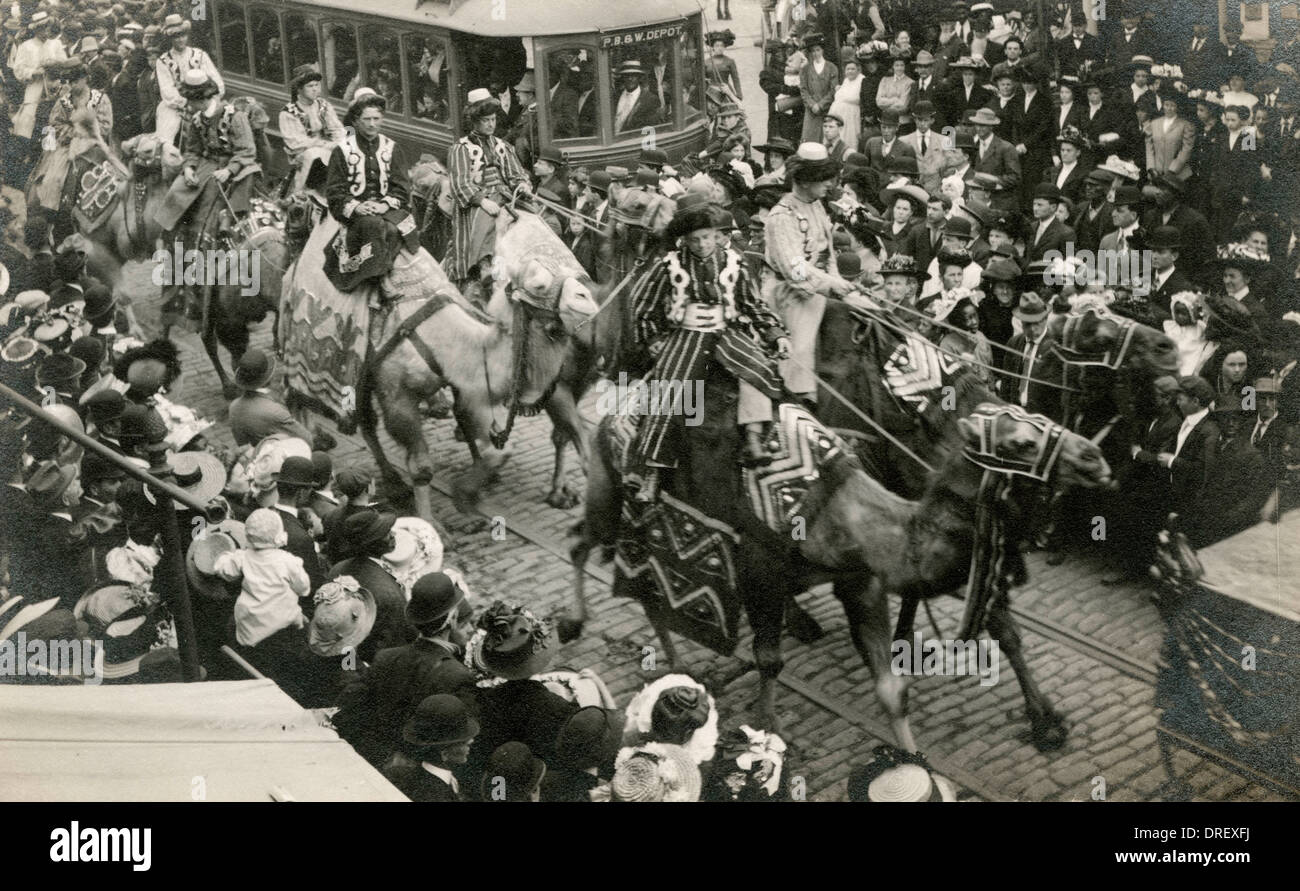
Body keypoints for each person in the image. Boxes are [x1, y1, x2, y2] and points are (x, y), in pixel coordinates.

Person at [626, 192, 790, 502]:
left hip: (725, 335)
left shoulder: (734, 263)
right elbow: (642, 307)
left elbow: (752, 303)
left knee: (758, 368)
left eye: (706, 237)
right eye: (694, 240)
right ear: (683, 240)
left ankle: (754, 439)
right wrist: (655, 342)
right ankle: (651, 471)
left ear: (716, 234)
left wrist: (775, 333)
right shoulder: (669, 266)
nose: (701, 245)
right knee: (670, 392)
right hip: (685, 337)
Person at [335, 571, 477, 768]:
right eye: (465, 622)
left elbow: (358, 707)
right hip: (419, 773)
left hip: (379, 758)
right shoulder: (457, 676)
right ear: (451, 620)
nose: (471, 629)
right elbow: (458, 743)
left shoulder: (386, 657)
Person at [153, 69, 259, 325]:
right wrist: (189, 168)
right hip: (204, 168)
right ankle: (177, 282)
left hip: (235, 171)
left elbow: (247, 150)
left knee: (209, 222)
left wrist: (229, 169)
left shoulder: (236, 118)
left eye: (193, 101)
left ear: (203, 97)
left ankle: (220, 283)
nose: (191, 106)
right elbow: (192, 149)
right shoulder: (197, 118)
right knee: (174, 205)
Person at [765, 143, 856, 404]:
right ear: (804, 180)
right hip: (790, 294)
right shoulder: (781, 216)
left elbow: (827, 255)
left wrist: (840, 284)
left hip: (821, 287)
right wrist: (832, 285)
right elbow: (795, 269)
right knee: (801, 351)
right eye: (823, 177)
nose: (830, 183)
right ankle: (795, 403)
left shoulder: (816, 205)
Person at [445, 87, 531, 295]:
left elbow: (515, 173)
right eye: (486, 120)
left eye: (493, 119)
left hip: (505, 196)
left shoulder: (503, 146)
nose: (491, 124)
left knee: (532, 215)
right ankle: (483, 265)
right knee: (486, 216)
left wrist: (522, 184)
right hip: (478, 201)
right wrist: (482, 200)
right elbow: (461, 184)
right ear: (475, 121)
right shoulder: (461, 149)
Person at [1157, 375, 1220, 545]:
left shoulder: (1209, 431)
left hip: (1189, 504)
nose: (1177, 403)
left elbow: (1203, 471)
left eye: (1180, 399)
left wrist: (1172, 462)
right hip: (1175, 494)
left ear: (1196, 401)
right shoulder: (1187, 421)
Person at [381, 695, 479, 802]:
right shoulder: (437, 795)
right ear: (444, 752)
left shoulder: (413, 774)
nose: (471, 741)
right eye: (464, 742)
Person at [11, 11, 67, 177]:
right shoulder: (26, 46)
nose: (45, 32)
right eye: (42, 29)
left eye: (47, 28)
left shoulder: (55, 44)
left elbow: (64, 63)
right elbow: (18, 70)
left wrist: (53, 66)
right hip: (35, 93)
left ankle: (44, 167)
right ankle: (26, 169)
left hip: (52, 94)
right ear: (36, 30)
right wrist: (34, 72)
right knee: (29, 130)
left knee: (49, 129)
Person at [153, 14, 222, 147]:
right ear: (170, 39)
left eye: (183, 35)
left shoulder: (199, 55)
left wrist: (206, 99)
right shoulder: (163, 61)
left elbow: (216, 81)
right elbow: (167, 91)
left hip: (203, 100)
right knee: (166, 135)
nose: (180, 40)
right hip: (176, 106)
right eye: (176, 37)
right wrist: (186, 104)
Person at [279, 64, 344, 197]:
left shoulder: (323, 106)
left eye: (317, 85)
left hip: (329, 150)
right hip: (305, 158)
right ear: (299, 89)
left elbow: (337, 128)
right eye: (310, 86)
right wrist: (324, 145)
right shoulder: (289, 113)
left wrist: (340, 142)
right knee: (314, 157)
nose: (315, 89)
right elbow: (297, 143)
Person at [800, 33, 838, 144]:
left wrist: (821, 105)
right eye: (813, 51)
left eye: (818, 50)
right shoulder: (806, 69)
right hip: (811, 112)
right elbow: (803, 90)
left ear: (822, 50)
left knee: (826, 141)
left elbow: (833, 90)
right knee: (810, 142)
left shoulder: (831, 67)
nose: (815, 53)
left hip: (826, 111)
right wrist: (812, 105)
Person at [612, 60, 662, 133]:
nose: (630, 79)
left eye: (633, 75)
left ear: (639, 77)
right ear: (622, 77)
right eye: (627, 75)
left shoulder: (650, 99)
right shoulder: (615, 96)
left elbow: (650, 130)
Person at [829, 56, 865, 152]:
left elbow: (855, 97)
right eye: (848, 69)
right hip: (838, 115)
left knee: (849, 139)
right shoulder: (846, 81)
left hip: (850, 115)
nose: (850, 71)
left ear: (858, 70)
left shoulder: (861, 80)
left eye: (853, 69)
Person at [705, 30, 743, 103]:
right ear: (713, 47)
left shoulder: (730, 61)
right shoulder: (706, 62)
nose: (720, 48)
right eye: (717, 46)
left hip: (726, 91)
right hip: (711, 93)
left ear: (725, 47)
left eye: (722, 46)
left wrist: (739, 95)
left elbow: (736, 79)